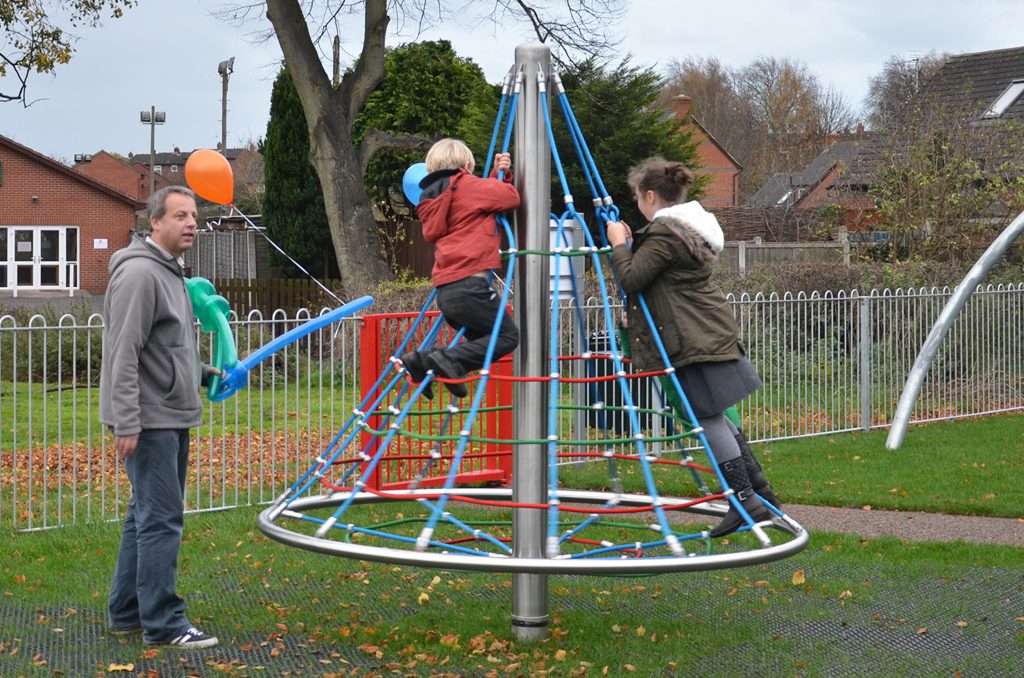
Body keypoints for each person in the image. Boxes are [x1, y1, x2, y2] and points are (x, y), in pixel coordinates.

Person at [605, 157, 780, 537]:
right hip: (705, 330)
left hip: (693, 335)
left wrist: (618, 245)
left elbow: (632, 278)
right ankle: (760, 494)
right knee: (715, 416)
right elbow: (656, 273)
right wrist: (634, 245)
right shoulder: (682, 230)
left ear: (649, 195)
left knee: (708, 418)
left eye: (638, 197)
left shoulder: (666, 233)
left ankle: (745, 499)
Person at [99, 185, 219, 649]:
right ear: (155, 222)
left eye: (195, 216)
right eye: (181, 216)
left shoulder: (170, 272)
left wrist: (204, 374)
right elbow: (123, 352)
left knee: (144, 516)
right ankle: (165, 624)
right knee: (162, 519)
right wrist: (126, 420)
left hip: (169, 412)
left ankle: (127, 611)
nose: (192, 223)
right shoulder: (139, 276)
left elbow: (167, 348)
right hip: (149, 420)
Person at [401, 138, 521, 399]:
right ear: (467, 164)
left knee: (485, 338)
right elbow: (509, 197)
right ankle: (449, 361)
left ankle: (423, 360)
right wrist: (502, 176)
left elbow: (475, 201)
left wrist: (492, 177)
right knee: (508, 337)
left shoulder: (431, 197)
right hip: (471, 286)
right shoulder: (467, 185)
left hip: (446, 292)